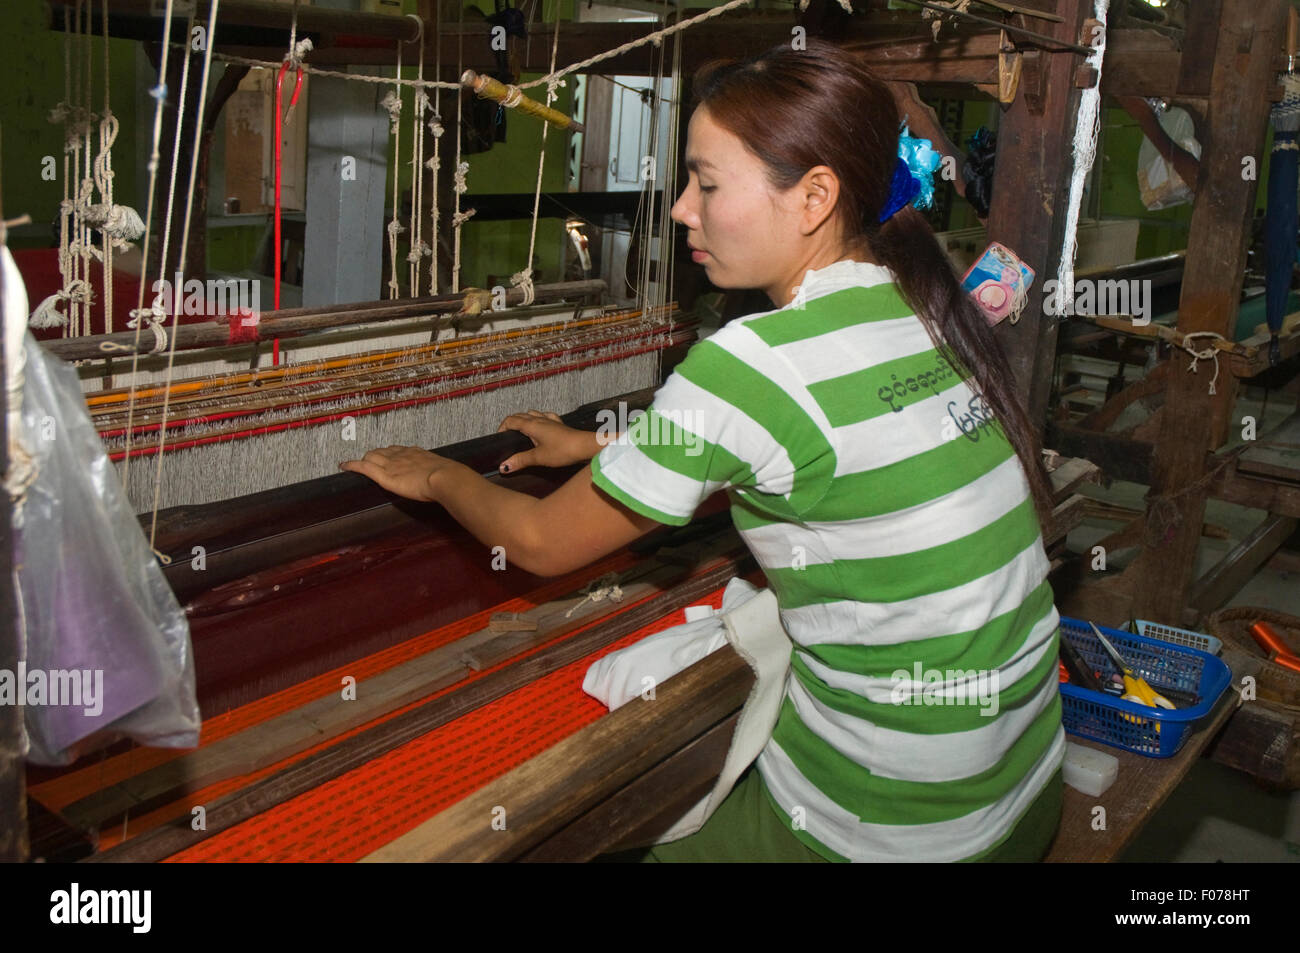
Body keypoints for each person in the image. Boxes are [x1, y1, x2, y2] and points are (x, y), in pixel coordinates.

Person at [340, 39, 1064, 862]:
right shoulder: (927, 306)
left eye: (707, 184)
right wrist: (598, 444)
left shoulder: (746, 363)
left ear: (814, 197)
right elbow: (814, 453)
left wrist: (437, 475)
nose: (682, 208)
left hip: (901, 832)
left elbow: (539, 545)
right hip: (1024, 787)